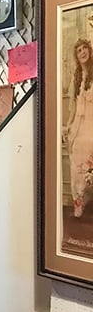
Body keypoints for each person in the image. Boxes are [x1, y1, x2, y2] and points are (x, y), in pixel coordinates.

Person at [63, 37, 93, 218]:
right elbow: (73, 107)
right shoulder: (77, 79)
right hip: (79, 125)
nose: (82, 52)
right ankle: (79, 202)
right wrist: (68, 126)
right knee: (76, 162)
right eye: (79, 50)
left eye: (84, 49)